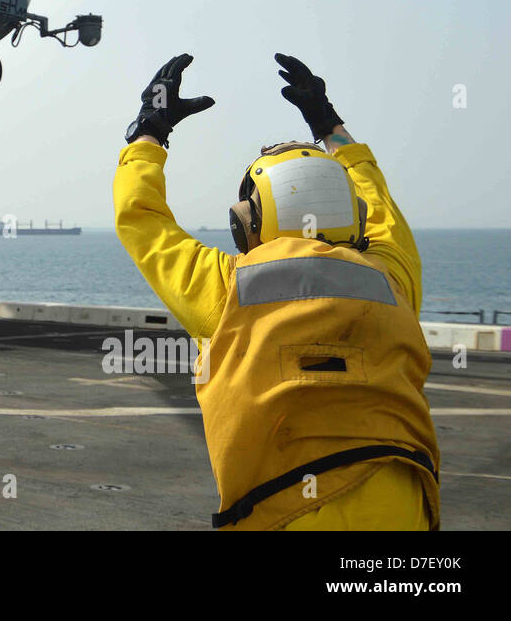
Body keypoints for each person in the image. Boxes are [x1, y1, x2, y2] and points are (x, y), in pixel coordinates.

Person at [113, 53, 439, 530]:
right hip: (402, 502)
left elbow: (140, 216)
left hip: (283, 512)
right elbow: (381, 205)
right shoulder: (393, 282)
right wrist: (328, 124)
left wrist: (149, 130)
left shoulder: (226, 290)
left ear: (246, 221)